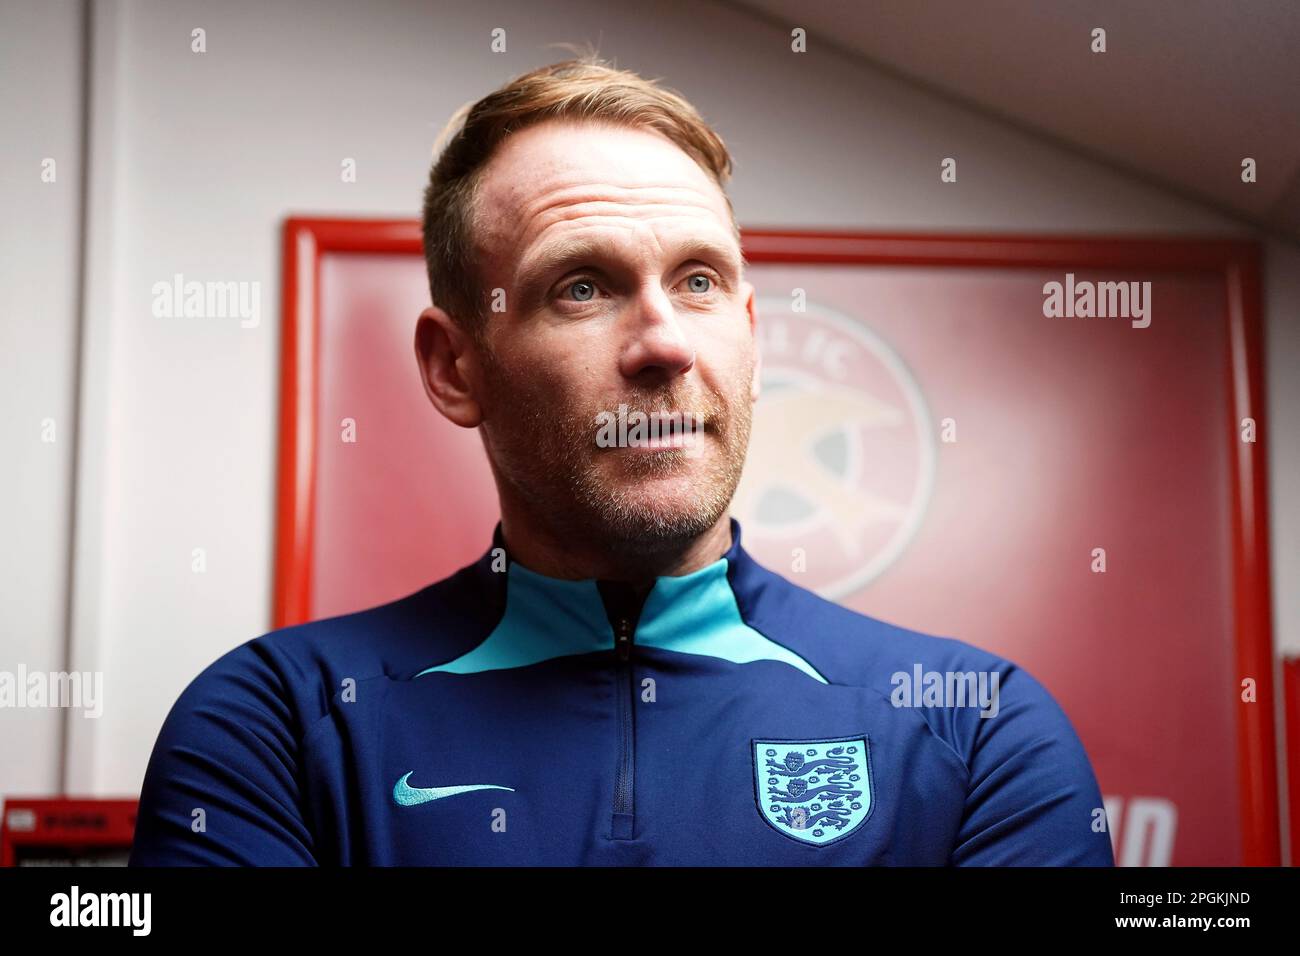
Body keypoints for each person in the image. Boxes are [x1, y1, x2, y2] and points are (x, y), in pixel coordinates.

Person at [130, 55, 1113, 866]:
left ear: (752, 338)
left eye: (697, 279)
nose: (664, 342)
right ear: (452, 365)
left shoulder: (977, 732)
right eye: (582, 286)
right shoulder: (277, 726)